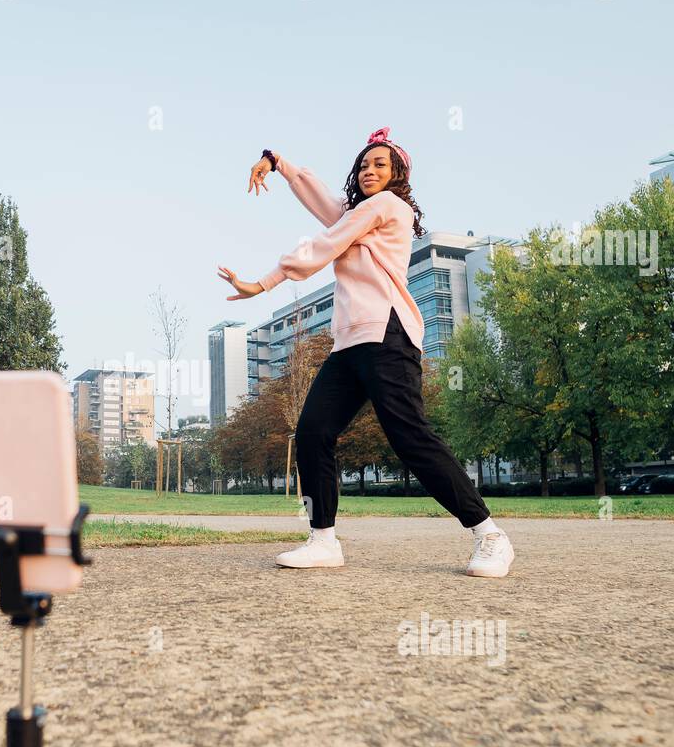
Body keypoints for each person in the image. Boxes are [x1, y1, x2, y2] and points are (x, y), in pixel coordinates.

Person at [216, 129, 514, 578]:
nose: (369, 170)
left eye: (380, 164)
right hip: (349, 342)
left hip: (387, 334)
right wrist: (277, 161)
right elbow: (323, 203)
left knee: (410, 438)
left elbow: (326, 243)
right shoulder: (358, 212)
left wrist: (264, 283)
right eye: (363, 164)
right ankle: (323, 541)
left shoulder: (388, 206)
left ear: (397, 176)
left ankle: (489, 534)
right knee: (314, 431)